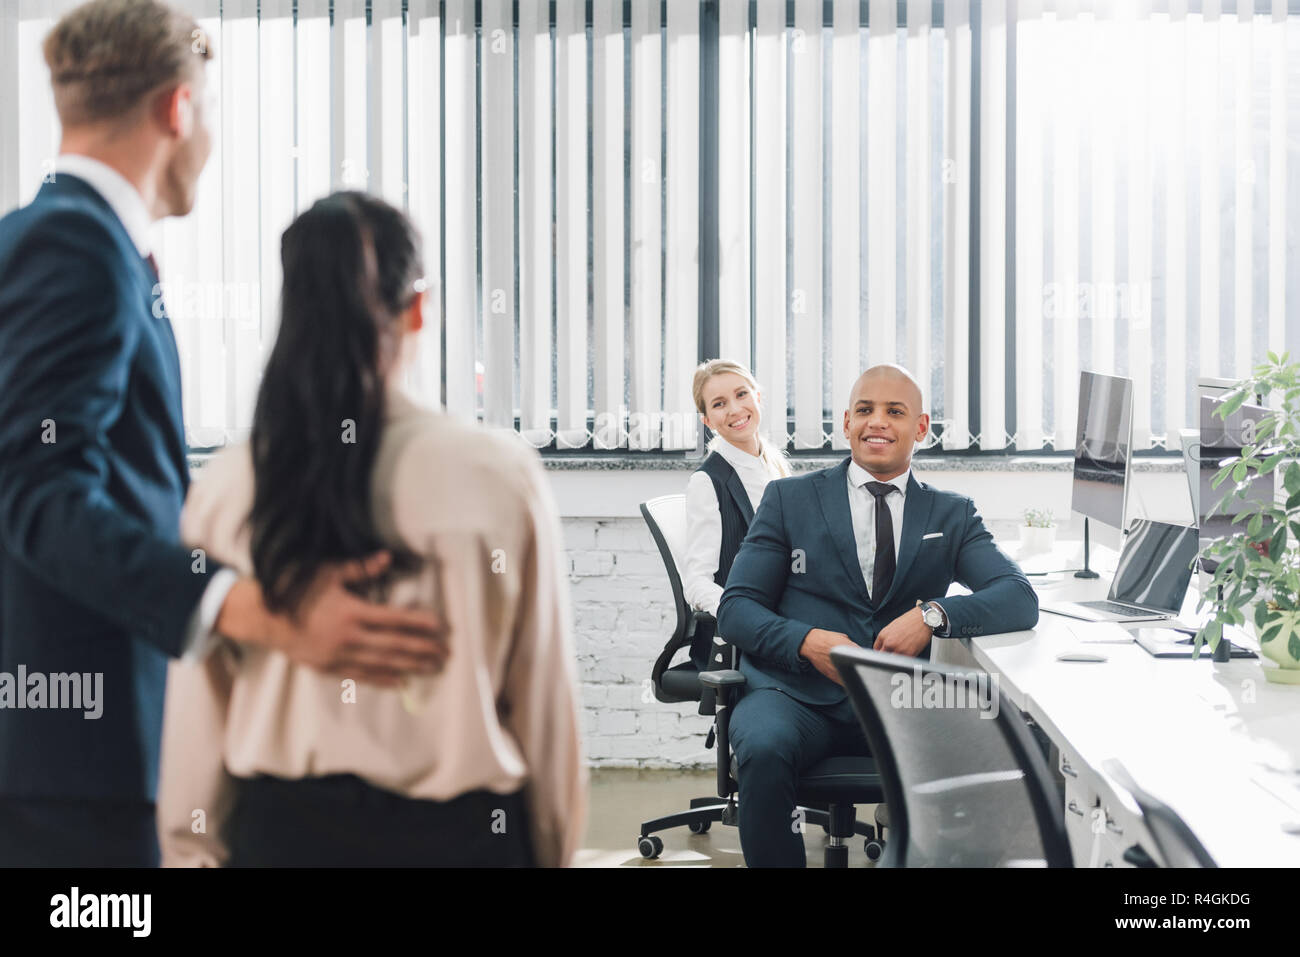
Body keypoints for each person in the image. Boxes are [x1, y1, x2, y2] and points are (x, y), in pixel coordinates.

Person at [0, 0, 443, 867]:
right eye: (211, 108)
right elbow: (39, 490)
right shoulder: (74, 246)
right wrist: (257, 607)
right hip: (70, 768)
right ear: (178, 108)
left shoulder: (62, 239)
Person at [156, 192, 586, 868]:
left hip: (282, 838)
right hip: (467, 840)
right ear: (421, 305)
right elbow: (543, 700)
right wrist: (556, 847)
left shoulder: (229, 485)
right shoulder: (499, 476)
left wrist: (188, 849)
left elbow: (196, 715)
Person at [716, 363, 1038, 867]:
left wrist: (933, 615)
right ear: (845, 423)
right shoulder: (788, 499)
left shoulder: (951, 514)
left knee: (995, 745)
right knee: (762, 747)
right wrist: (808, 642)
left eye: (894, 411)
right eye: (864, 410)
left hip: (902, 699)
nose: (877, 422)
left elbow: (1018, 596)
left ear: (922, 428)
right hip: (796, 697)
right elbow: (735, 610)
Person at [681, 360, 790, 670]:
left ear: (758, 397)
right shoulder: (707, 482)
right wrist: (740, 613)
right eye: (719, 404)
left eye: (741, 394)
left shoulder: (773, 465)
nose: (734, 408)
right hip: (741, 639)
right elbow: (697, 581)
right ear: (708, 421)